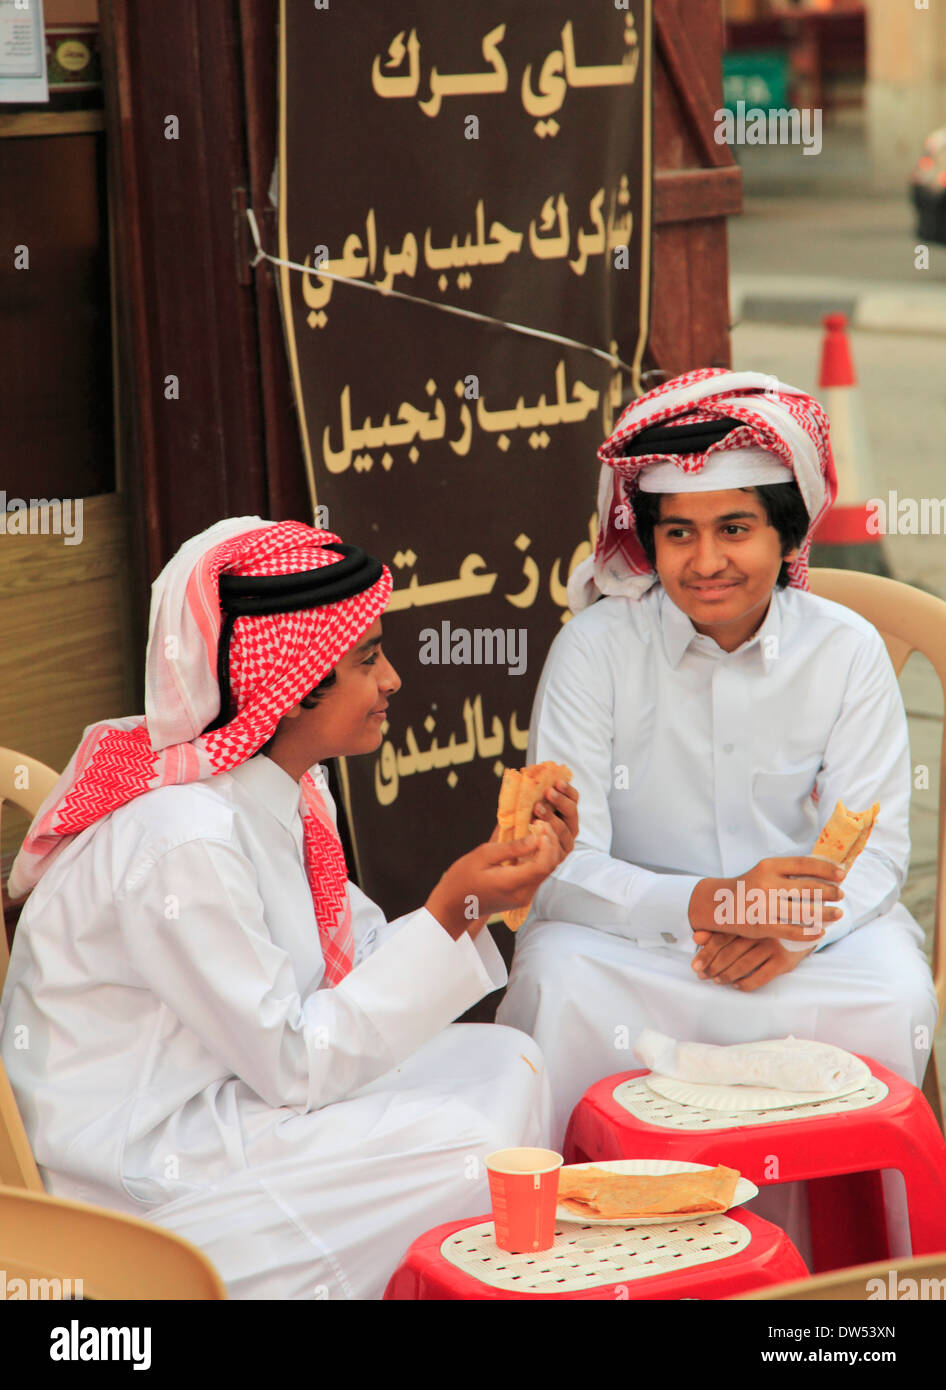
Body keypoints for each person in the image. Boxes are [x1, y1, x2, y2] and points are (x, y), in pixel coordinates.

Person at [0, 518, 578, 1300]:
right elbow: (293, 1061)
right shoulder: (181, 839)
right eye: (368, 659)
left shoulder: (292, 788)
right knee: (468, 1147)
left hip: (244, 1094)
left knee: (509, 1059)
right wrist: (451, 909)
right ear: (291, 683)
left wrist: (476, 898)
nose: (394, 681)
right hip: (147, 1168)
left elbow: (353, 963)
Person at [496, 369, 938, 1170]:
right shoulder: (593, 653)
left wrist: (797, 932)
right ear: (649, 539)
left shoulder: (844, 651)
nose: (706, 562)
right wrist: (704, 903)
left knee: (895, 997)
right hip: (638, 947)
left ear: (784, 536)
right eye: (678, 534)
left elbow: (875, 848)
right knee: (556, 986)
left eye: (735, 529)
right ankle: (601, 1251)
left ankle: (854, 1269)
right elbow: (564, 869)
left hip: (808, 949)